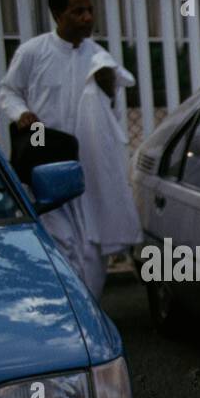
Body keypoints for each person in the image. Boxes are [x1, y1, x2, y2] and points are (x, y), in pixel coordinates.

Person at [0, 0, 136, 297]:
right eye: (78, 12)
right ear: (58, 14)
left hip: (88, 167)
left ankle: (90, 313)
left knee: (91, 247)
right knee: (60, 240)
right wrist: (22, 114)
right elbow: (9, 91)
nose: (87, 18)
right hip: (48, 158)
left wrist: (108, 88)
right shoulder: (34, 52)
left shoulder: (98, 57)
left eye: (89, 10)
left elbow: (109, 110)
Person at [73, 48, 142, 299]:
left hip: (100, 189)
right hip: (95, 189)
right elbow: (96, 154)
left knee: (96, 246)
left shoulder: (98, 100)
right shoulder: (92, 101)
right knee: (91, 248)